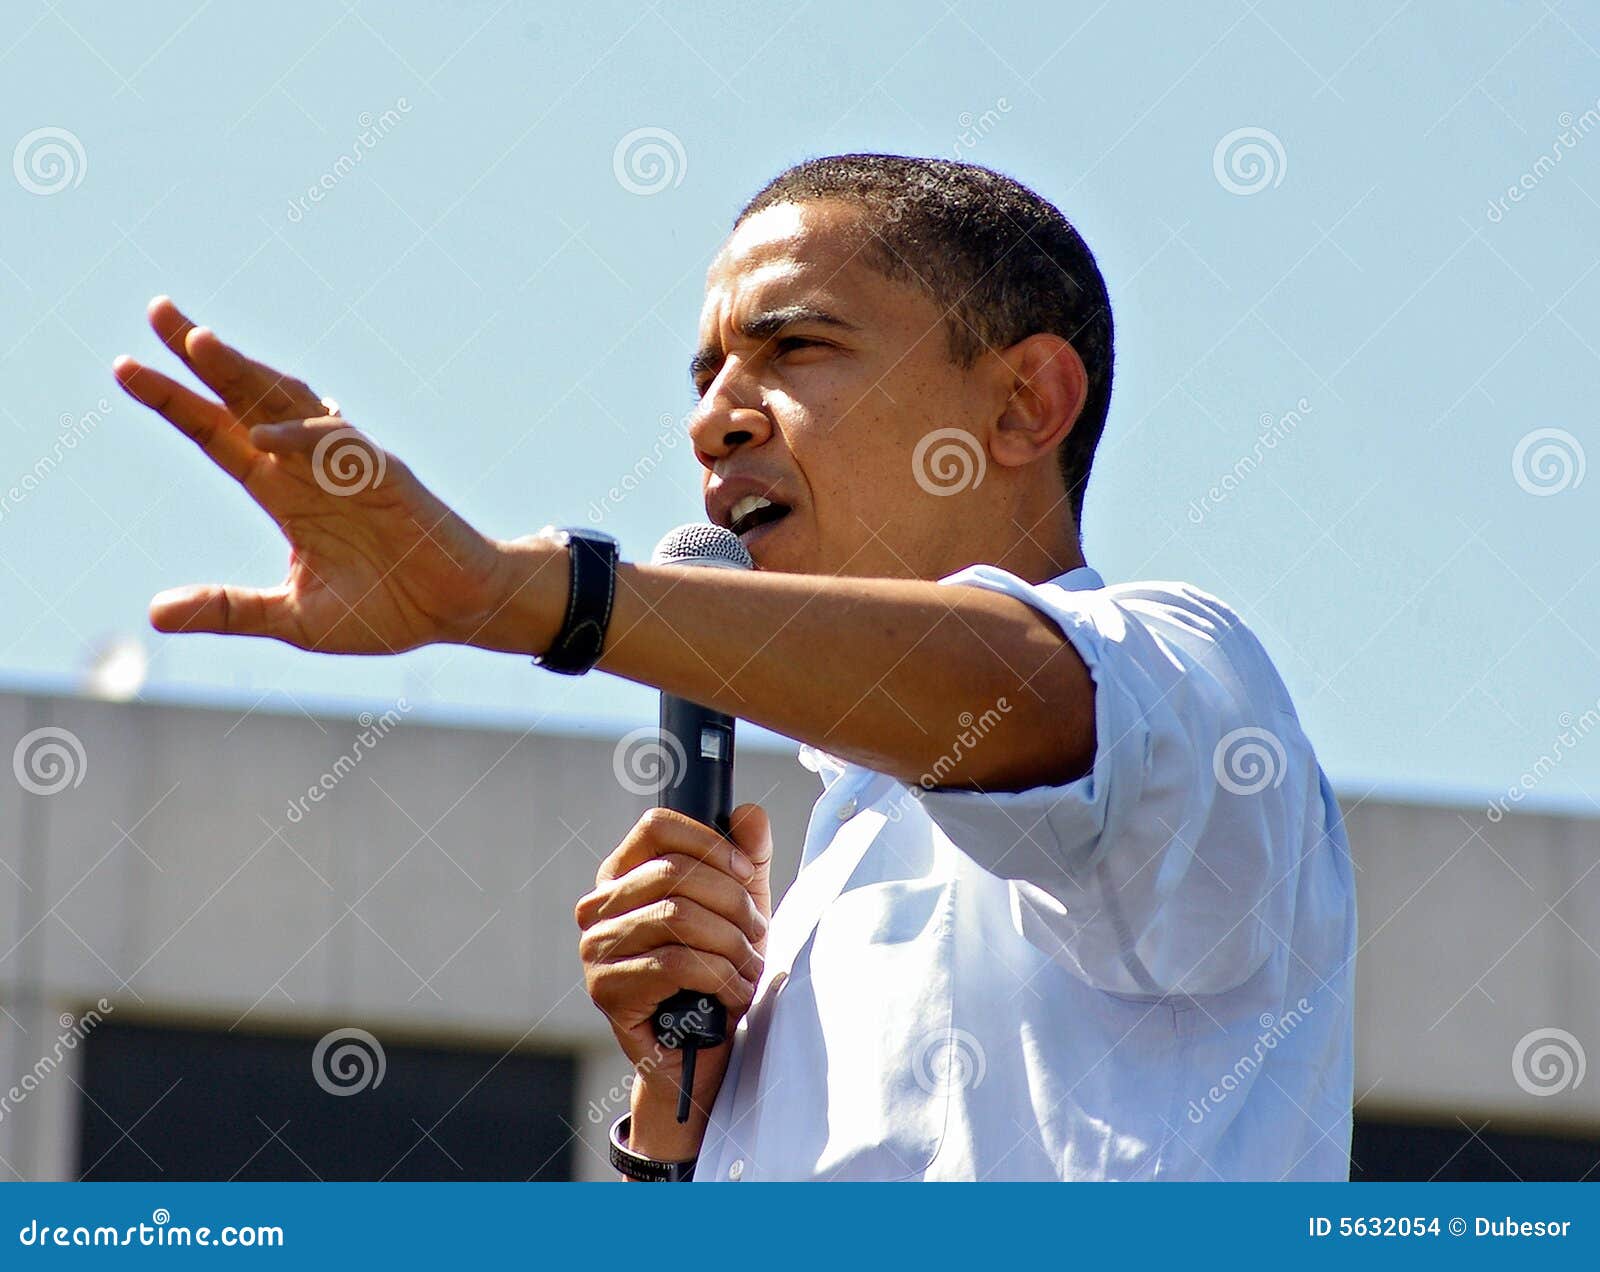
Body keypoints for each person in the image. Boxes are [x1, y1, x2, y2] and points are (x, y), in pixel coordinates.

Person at [112, 153, 1356, 1182]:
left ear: (1026, 402)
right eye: (706, 376)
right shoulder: (821, 879)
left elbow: (1015, 694)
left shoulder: (1188, 670)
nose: (715, 418)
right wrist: (674, 1127)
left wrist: (523, 594)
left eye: (795, 347)